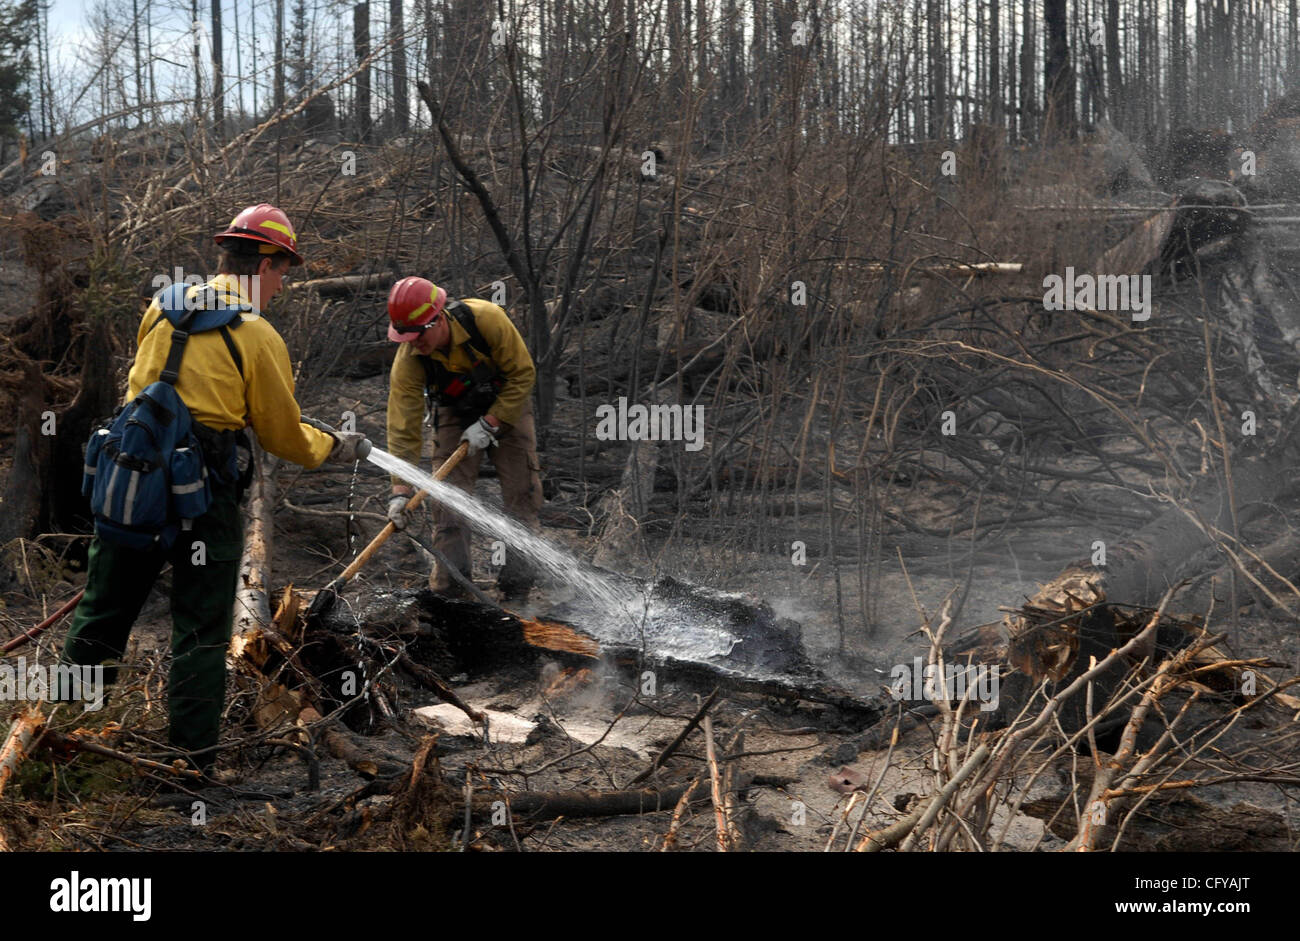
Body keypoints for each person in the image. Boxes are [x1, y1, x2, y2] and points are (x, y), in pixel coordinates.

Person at [61, 204, 368, 774]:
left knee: (103, 612)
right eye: (282, 272)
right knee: (201, 631)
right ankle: (191, 765)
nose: (281, 285)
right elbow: (282, 434)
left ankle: (62, 742)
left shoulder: (163, 305)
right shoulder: (255, 334)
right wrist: (335, 446)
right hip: (205, 497)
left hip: (132, 480)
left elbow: (143, 391)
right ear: (267, 263)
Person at [384, 277, 543, 601]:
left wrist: (491, 422)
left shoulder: (487, 320)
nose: (414, 344)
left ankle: (517, 593)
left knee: (522, 495)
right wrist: (400, 491)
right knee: (447, 503)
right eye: (408, 338)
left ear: (438, 318)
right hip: (454, 412)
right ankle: (452, 594)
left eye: (418, 335)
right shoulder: (409, 360)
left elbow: (523, 373)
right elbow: (404, 427)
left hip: (507, 404)